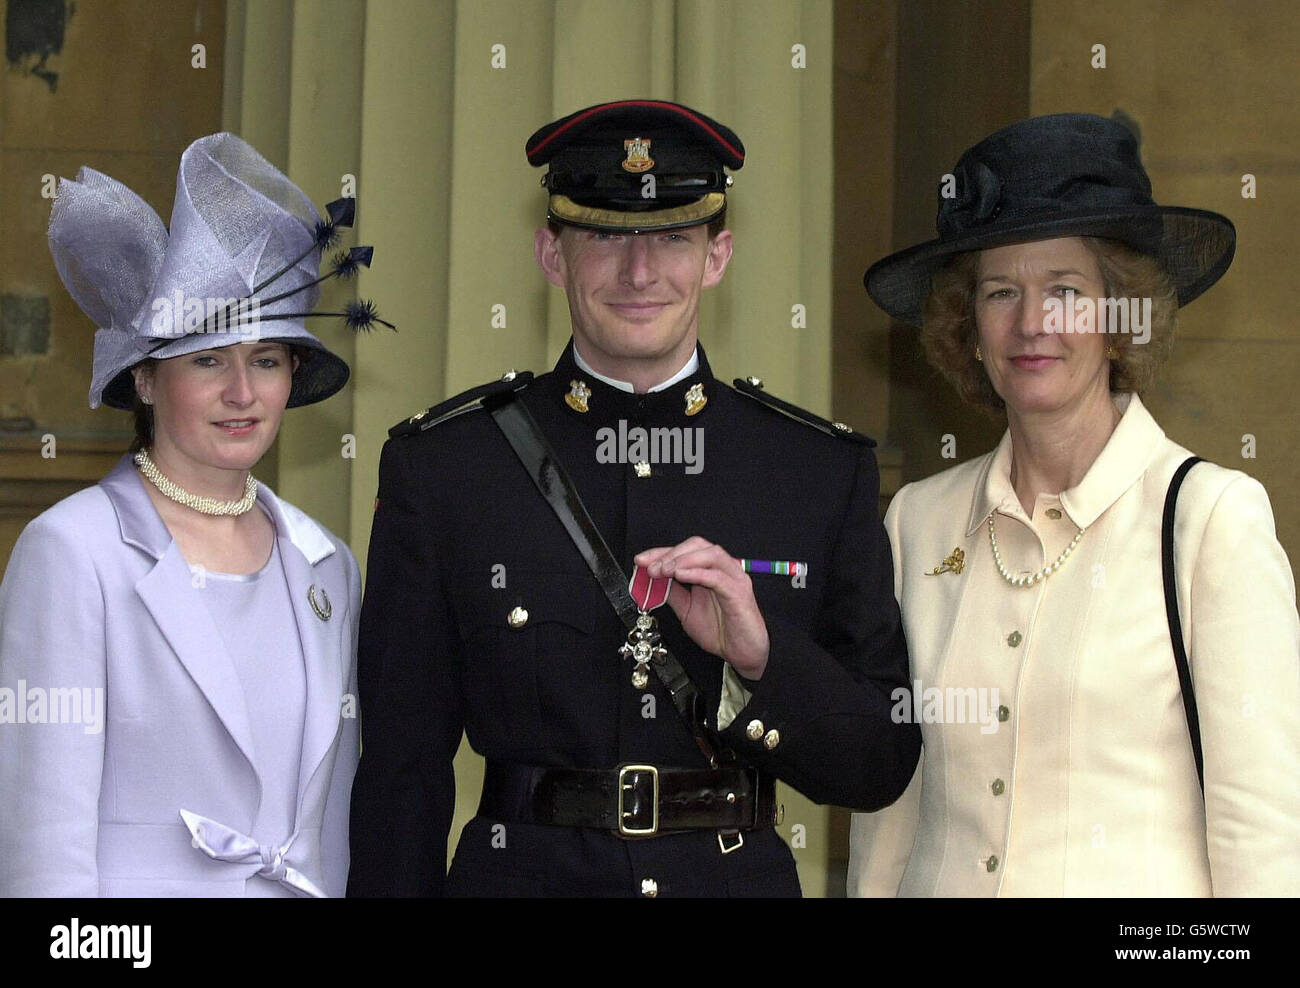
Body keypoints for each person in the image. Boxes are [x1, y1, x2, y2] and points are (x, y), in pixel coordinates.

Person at [348, 99, 919, 897]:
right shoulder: (449, 468)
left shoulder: (815, 472)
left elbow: (878, 765)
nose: (640, 273)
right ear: (552, 254)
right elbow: (400, 771)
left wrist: (762, 659)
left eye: (674, 238)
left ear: (718, 256)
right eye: (607, 237)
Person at [848, 113, 1300, 896]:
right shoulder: (917, 521)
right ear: (969, 327)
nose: (1032, 324)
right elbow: (892, 808)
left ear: (1121, 318)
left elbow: (1262, 839)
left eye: (1065, 290)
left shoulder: (1211, 521)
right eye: (1001, 293)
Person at [0, 133, 387, 896]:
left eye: (266, 360)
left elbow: (330, 830)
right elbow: (42, 847)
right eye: (208, 360)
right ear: (145, 380)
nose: (242, 393)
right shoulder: (72, 552)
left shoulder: (325, 564)